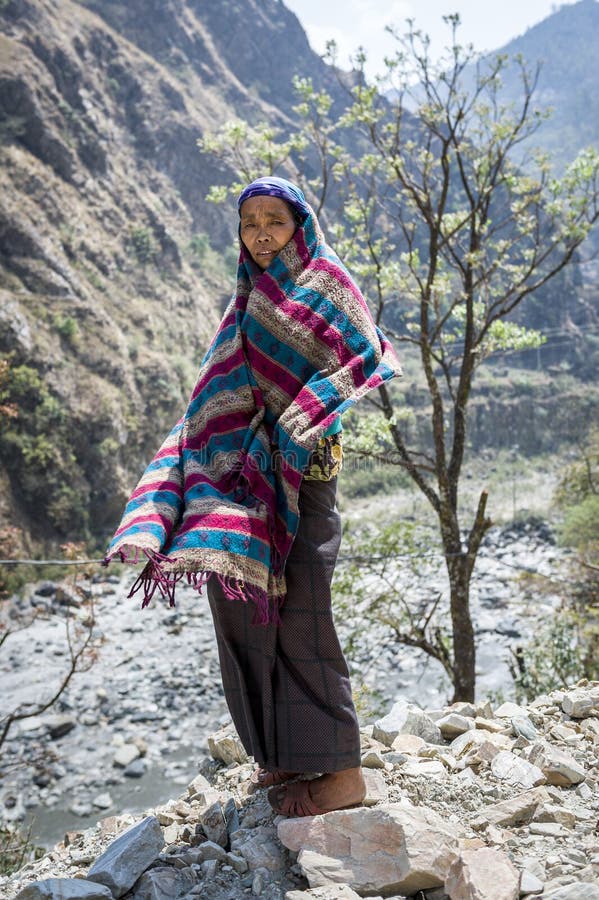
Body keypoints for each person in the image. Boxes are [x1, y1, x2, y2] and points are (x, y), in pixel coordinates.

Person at [105, 176, 401, 817]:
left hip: (305, 476)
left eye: (275, 220)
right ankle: (283, 754)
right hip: (243, 480)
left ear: (301, 225)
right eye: (250, 223)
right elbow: (217, 391)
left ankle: (343, 775)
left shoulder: (327, 284)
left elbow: (365, 354)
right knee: (242, 603)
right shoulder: (245, 299)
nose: (262, 234)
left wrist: (298, 421)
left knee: (303, 613)